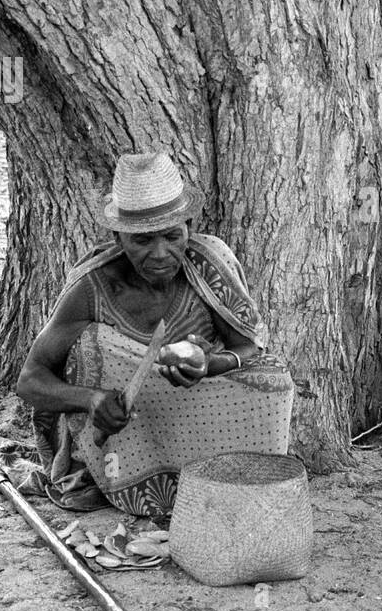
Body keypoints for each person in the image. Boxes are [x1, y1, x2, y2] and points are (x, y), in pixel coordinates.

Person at [16, 152, 294, 518]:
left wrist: (211, 364)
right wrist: (91, 399)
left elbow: (248, 348)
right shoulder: (91, 289)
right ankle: (140, 483)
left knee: (274, 383)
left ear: (188, 227)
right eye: (142, 241)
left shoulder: (207, 264)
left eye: (171, 236)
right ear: (118, 237)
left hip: (197, 410)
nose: (161, 253)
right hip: (129, 430)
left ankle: (222, 477)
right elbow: (30, 380)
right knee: (92, 347)